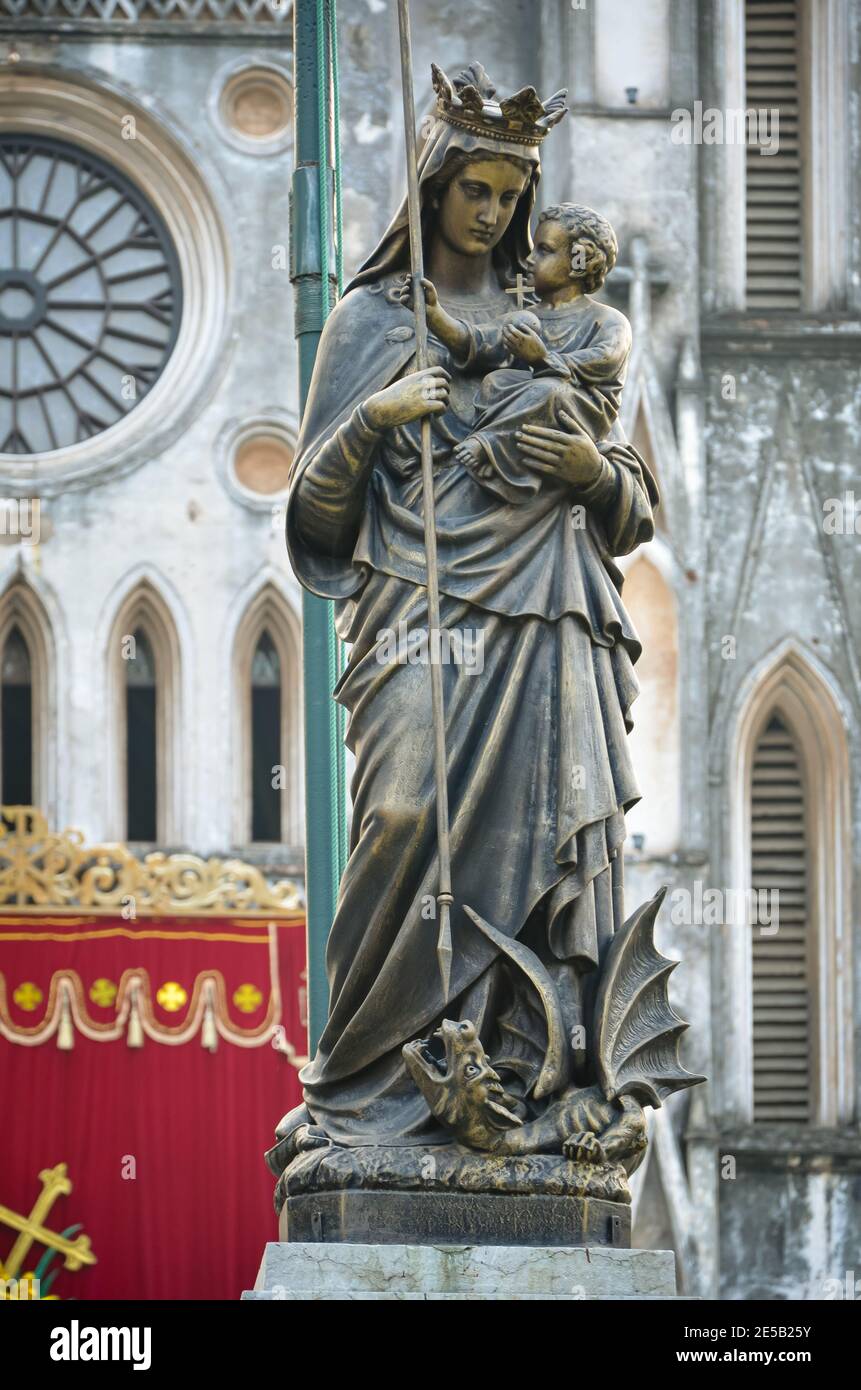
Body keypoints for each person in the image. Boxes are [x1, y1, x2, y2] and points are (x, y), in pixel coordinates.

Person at [283, 64, 658, 1149]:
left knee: (549, 833)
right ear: (434, 187)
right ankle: (365, 1085)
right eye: (474, 190)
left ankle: (527, 1074)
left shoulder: (561, 321)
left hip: (548, 610)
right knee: (405, 814)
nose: (492, 214)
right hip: (418, 607)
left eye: (510, 195)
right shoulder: (371, 318)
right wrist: (375, 419)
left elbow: (632, 503)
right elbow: (313, 510)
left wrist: (590, 471)